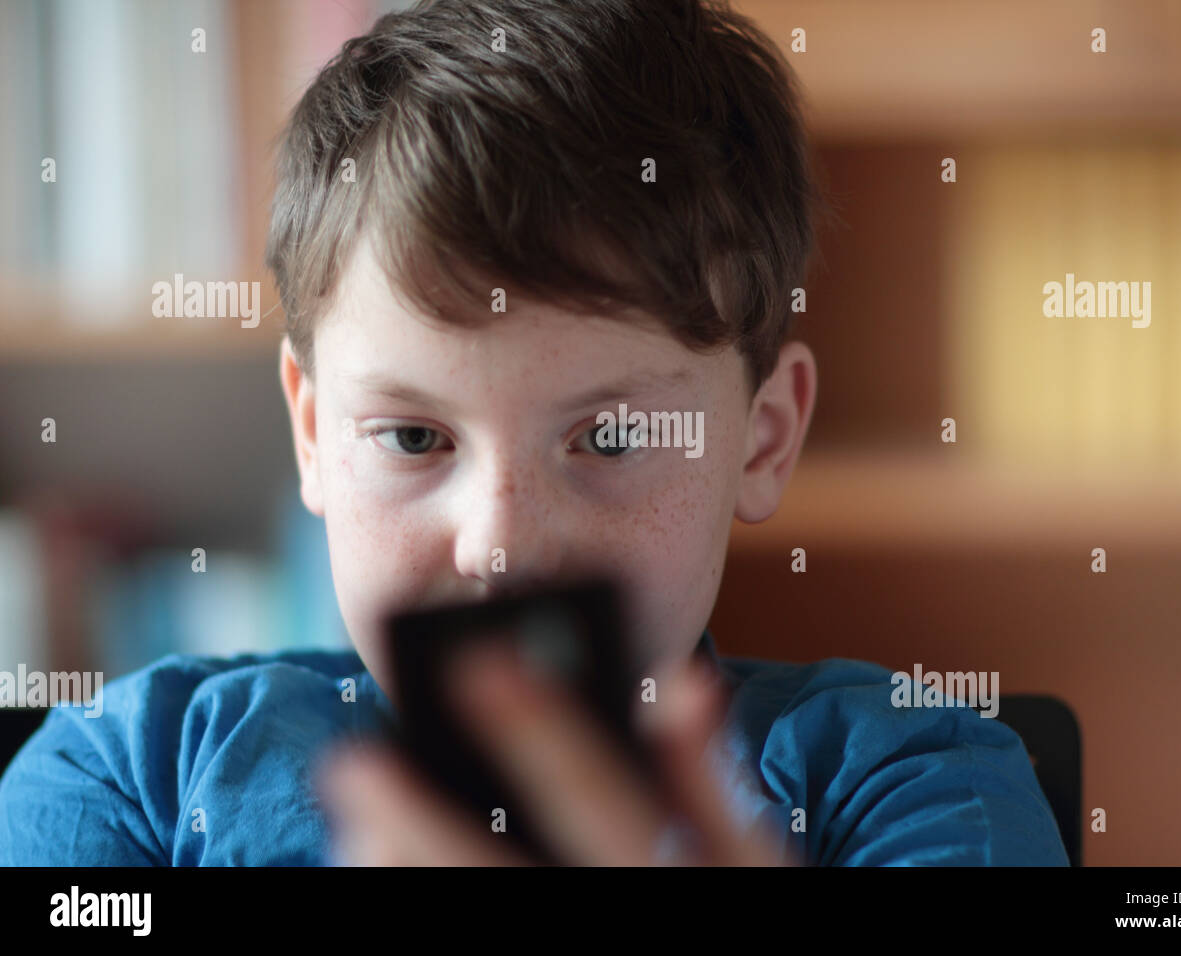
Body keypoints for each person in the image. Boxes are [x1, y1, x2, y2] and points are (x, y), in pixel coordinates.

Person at [0, 0, 1067, 866]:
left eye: (607, 438)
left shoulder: (918, 780)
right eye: (414, 439)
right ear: (316, 434)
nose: (501, 548)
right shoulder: (129, 774)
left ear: (762, 435)